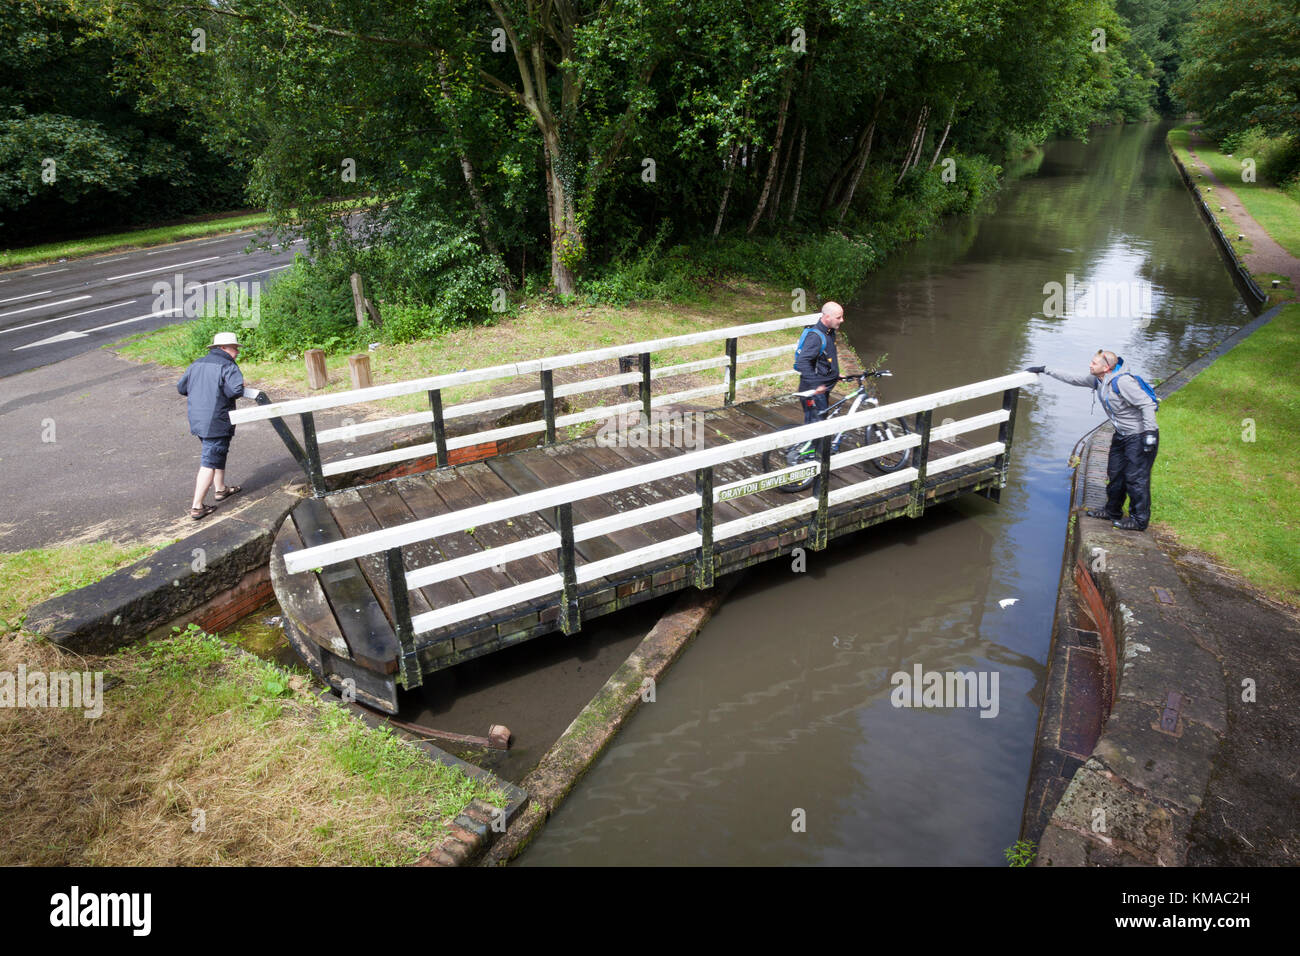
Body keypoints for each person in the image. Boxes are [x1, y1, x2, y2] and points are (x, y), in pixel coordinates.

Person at [1026, 349, 1159, 531]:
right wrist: (1045, 369)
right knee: (1115, 473)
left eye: (1094, 363)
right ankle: (1112, 511)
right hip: (1121, 435)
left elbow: (1147, 404)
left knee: (1135, 478)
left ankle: (1139, 520)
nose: (1090, 365)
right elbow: (1073, 379)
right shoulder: (1098, 380)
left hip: (1140, 435)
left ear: (1106, 367)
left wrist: (1150, 434)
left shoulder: (1123, 382)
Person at [178, 331, 261, 520]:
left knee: (217, 453)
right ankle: (197, 507)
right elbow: (235, 390)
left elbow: (181, 388)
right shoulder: (227, 365)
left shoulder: (197, 363)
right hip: (217, 420)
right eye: (234, 348)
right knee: (209, 461)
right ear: (222, 348)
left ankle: (221, 489)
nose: (237, 352)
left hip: (198, 419)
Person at [794, 301, 844, 424]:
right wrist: (816, 385)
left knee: (821, 427)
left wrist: (834, 373)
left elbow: (824, 358)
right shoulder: (816, 337)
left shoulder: (830, 332)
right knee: (815, 430)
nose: (842, 320)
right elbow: (802, 362)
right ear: (827, 317)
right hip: (813, 391)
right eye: (838, 317)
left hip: (822, 390)